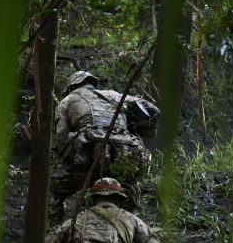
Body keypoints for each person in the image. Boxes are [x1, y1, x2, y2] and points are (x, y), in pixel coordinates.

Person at [51, 71, 159, 222]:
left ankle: (53, 234)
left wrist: (66, 161)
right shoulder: (113, 95)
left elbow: (61, 137)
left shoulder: (67, 100)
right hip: (124, 160)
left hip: (87, 161)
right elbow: (152, 110)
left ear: (72, 85)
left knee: (52, 190)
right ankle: (130, 234)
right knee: (129, 197)